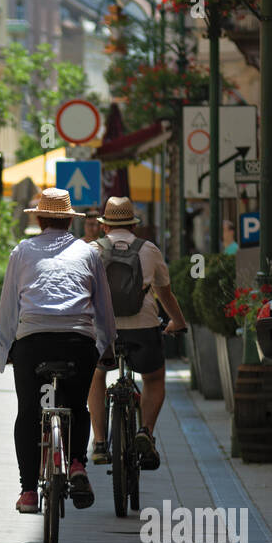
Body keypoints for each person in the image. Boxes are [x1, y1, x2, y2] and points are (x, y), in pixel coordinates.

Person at [0, 188, 116, 515]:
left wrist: (5, 349)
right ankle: (77, 463)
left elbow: (8, 307)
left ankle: (28, 492)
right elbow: (103, 308)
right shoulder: (88, 252)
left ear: (38, 218)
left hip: (33, 342)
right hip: (79, 342)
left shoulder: (21, 251)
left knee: (28, 411)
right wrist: (107, 348)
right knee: (77, 406)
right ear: (69, 220)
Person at [87, 196, 189, 472]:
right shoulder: (149, 250)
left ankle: (98, 442)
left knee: (96, 374)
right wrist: (178, 322)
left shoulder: (92, 250)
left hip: (105, 331)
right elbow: (165, 294)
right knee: (154, 378)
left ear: (104, 226)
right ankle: (145, 430)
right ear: (134, 225)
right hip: (143, 327)